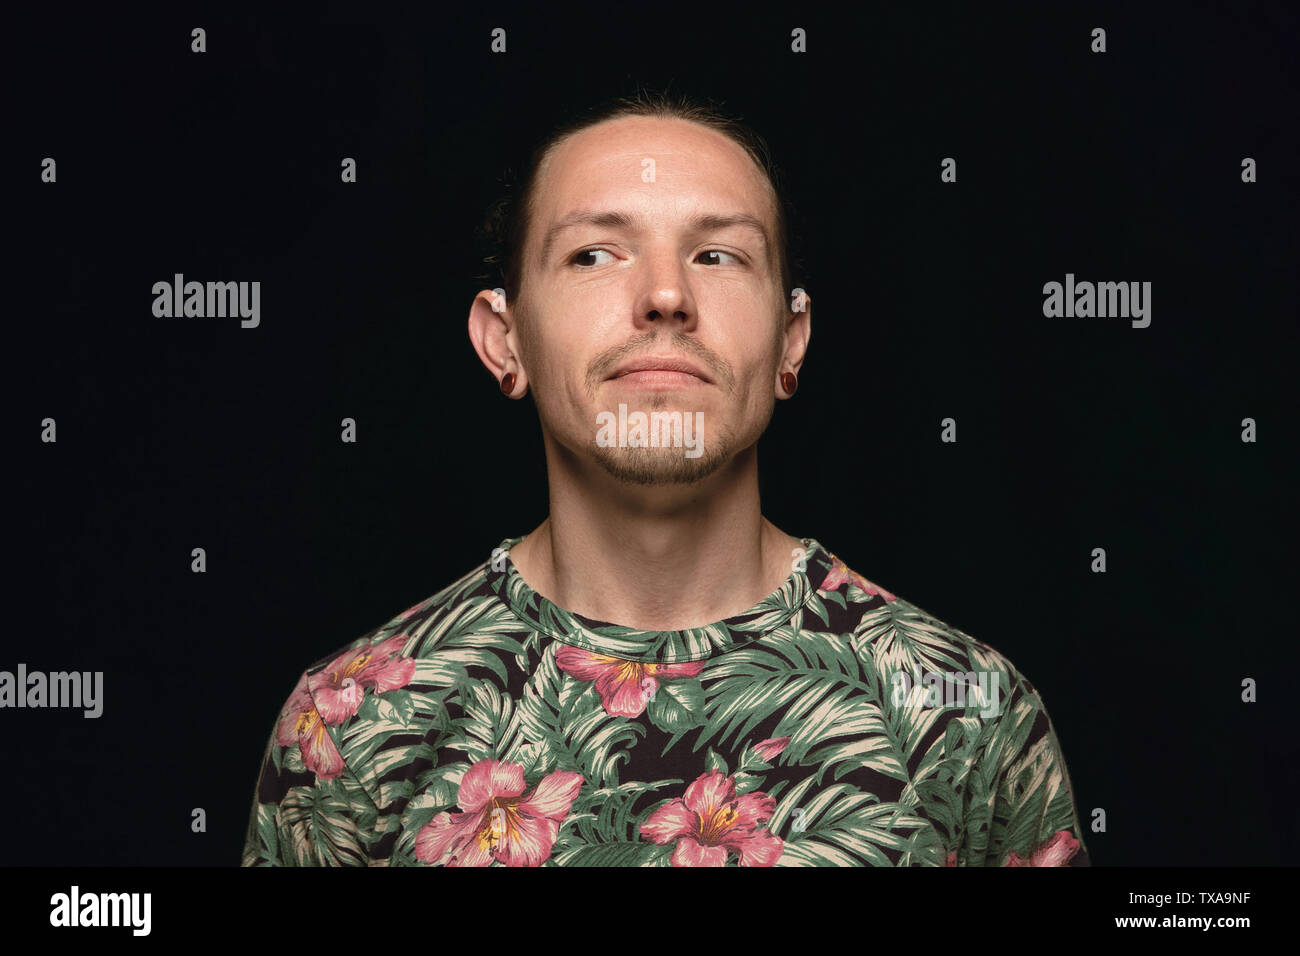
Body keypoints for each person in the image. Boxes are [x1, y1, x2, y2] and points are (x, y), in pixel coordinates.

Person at [242, 89, 1090, 867]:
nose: (664, 294)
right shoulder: (350, 726)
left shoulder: (967, 711)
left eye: (718, 255)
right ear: (505, 339)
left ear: (792, 341)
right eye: (594, 254)